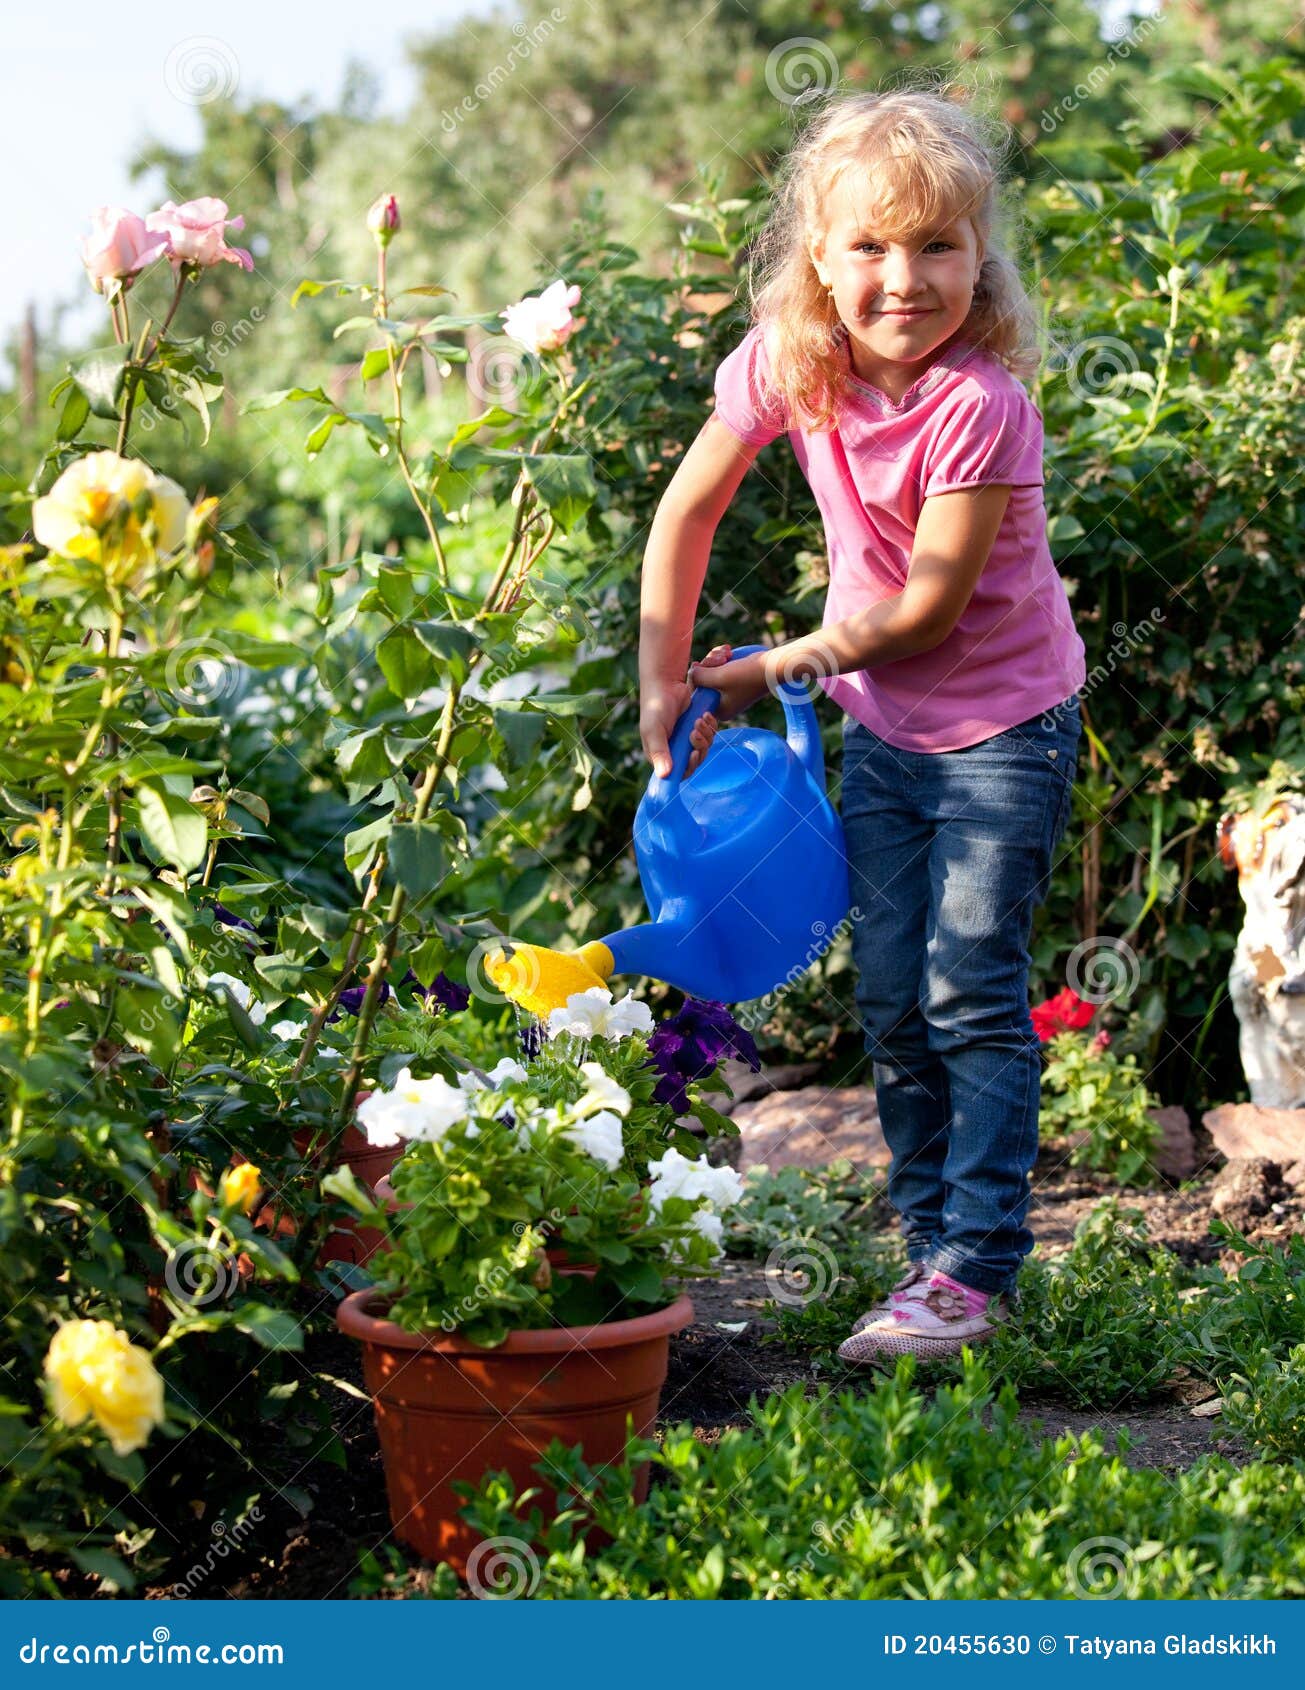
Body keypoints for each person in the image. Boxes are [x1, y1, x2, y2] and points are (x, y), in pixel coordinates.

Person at [637, 87, 1086, 1362]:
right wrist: (663, 688)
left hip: (1005, 724)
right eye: (872, 248)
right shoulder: (790, 365)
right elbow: (686, 518)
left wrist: (760, 669)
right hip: (882, 727)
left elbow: (927, 610)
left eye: (940, 244)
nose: (907, 278)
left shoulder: (979, 403)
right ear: (818, 261)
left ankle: (974, 1269)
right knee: (893, 996)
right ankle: (928, 1252)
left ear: (980, 257)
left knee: (969, 987)